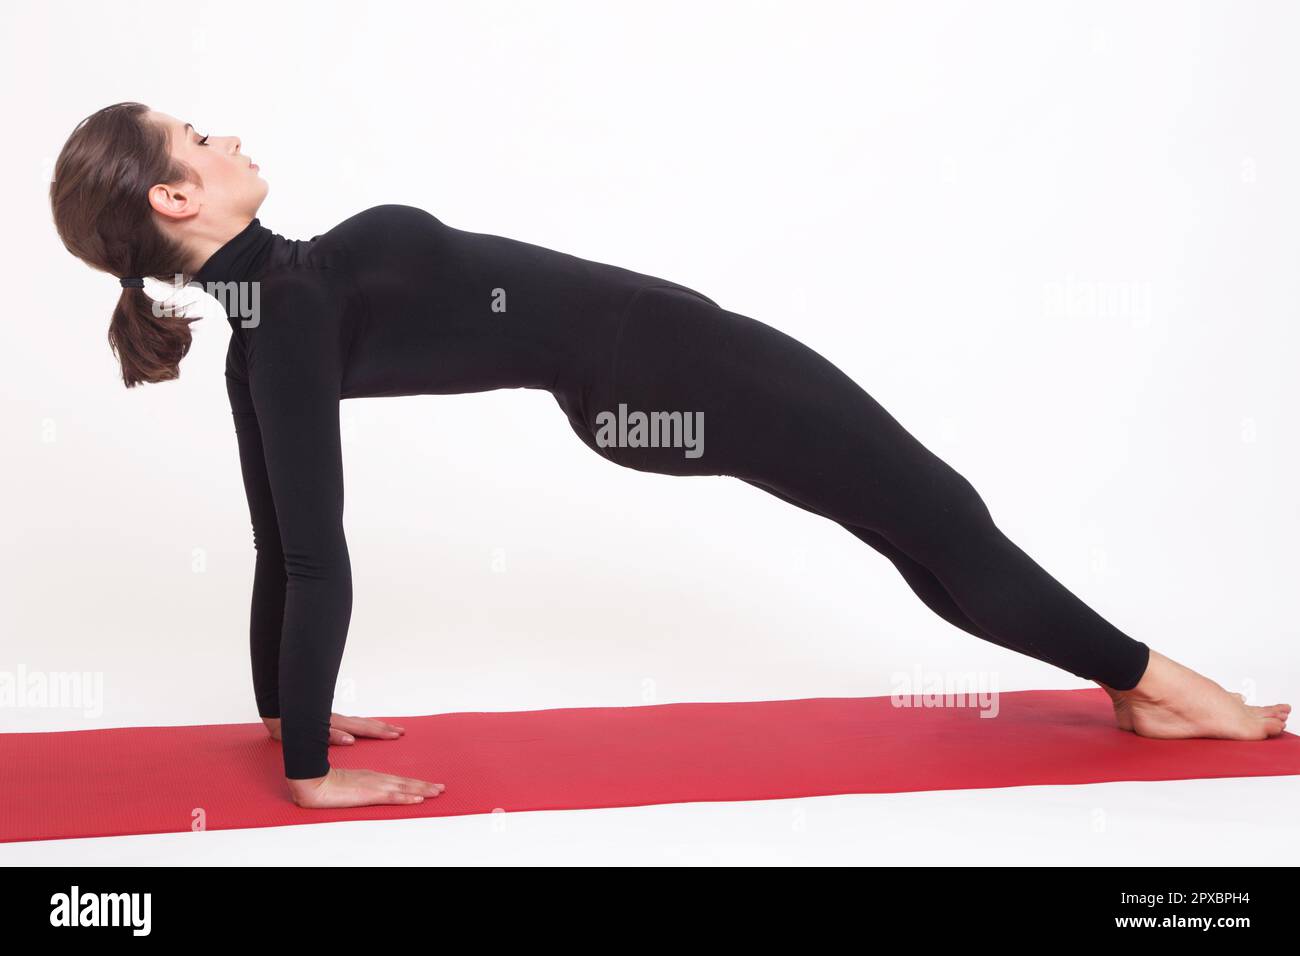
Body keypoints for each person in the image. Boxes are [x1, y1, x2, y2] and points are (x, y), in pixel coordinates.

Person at [48, 102, 1290, 809]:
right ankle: (1162, 688)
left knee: (912, 517)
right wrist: (310, 770)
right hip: (671, 373)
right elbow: (308, 555)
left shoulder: (269, 317)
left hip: (656, 376)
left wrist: (283, 716)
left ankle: (1136, 685)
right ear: (172, 199)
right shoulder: (289, 315)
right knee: (932, 510)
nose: (227, 137)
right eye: (199, 138)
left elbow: (280, 546)